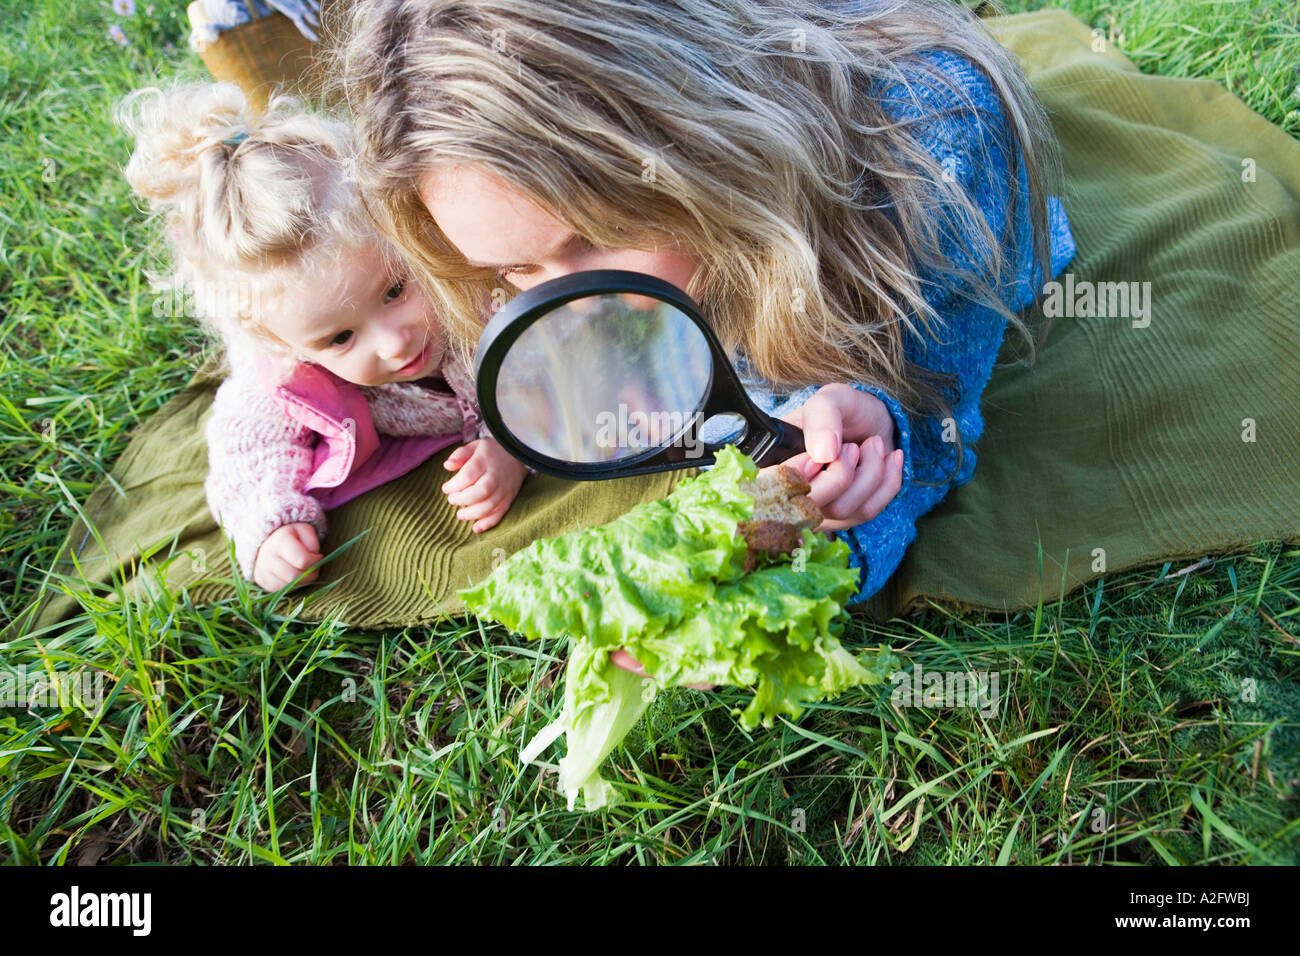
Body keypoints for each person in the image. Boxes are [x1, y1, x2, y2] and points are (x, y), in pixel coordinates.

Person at [334, 0, 1078, 627]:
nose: (585, 313)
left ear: (692, 143)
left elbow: (935, 411)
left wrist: (875, 439)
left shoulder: (940, 134)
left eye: (599, 232)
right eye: (518, 270)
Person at [117, 81, 532, 591]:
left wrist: (513, 445)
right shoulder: (285, 369)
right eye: (339, 338)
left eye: (395, 291)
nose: (393, 342)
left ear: (411, 230)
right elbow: (247, 446)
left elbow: (559, 359)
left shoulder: (474, 288)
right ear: (282, 342)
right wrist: (272, 524)